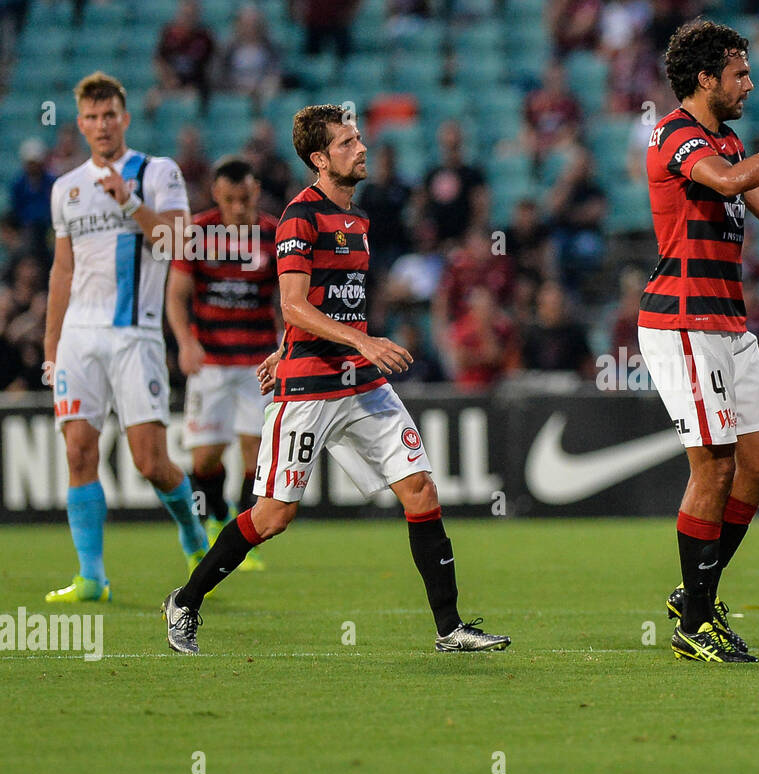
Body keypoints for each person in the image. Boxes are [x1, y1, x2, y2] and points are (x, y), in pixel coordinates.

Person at [161, 105, 509, 656]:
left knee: (420, 490)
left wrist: (284, 348)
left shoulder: (359, 221)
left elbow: (322, 304)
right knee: (274, 515)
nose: (361, 148)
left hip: (361, 383)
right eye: (347, 143)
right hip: (311, 389)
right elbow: (293, 304)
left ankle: (450, 628)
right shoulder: (300, 217)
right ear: (320, 159)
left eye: (359, 139)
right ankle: (186, 600)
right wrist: (355, 342)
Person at [637, 19, 759, 663]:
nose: (749, 83)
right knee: (713, 463)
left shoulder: (726, 139)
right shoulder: (675, 136)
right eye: (740, 74)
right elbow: (725, 182)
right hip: (683, 321)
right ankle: (694, 623)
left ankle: (697, 592)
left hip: (728, 321)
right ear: (705, 79)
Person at [43, 71, 209, 602]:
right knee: (78, 453)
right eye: (90, 117)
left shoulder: (157, 171)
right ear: (80, 123)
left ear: (125, 117)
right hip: (78, 337)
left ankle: (191, 531)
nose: (100, 125)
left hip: (135, 335)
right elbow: (62, 271)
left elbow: (180, 240)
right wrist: (51, 346)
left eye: (109, 114)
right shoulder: (64, 188)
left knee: (150, 463)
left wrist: (129, 202)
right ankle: (92, 577)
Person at [166, 157, 280, 571]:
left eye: (245, 199)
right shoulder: (196, 232)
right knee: (205, 460)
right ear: (216, 194)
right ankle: (216, 517)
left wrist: (286, 346)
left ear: (257, 191)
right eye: (230, 199)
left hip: (258, 364)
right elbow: (176, 294)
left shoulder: (274, 233)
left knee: (255, 454)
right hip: (210, 363)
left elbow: (287, 299)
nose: (237, 208)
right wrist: (185, 341)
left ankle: (239, 539)